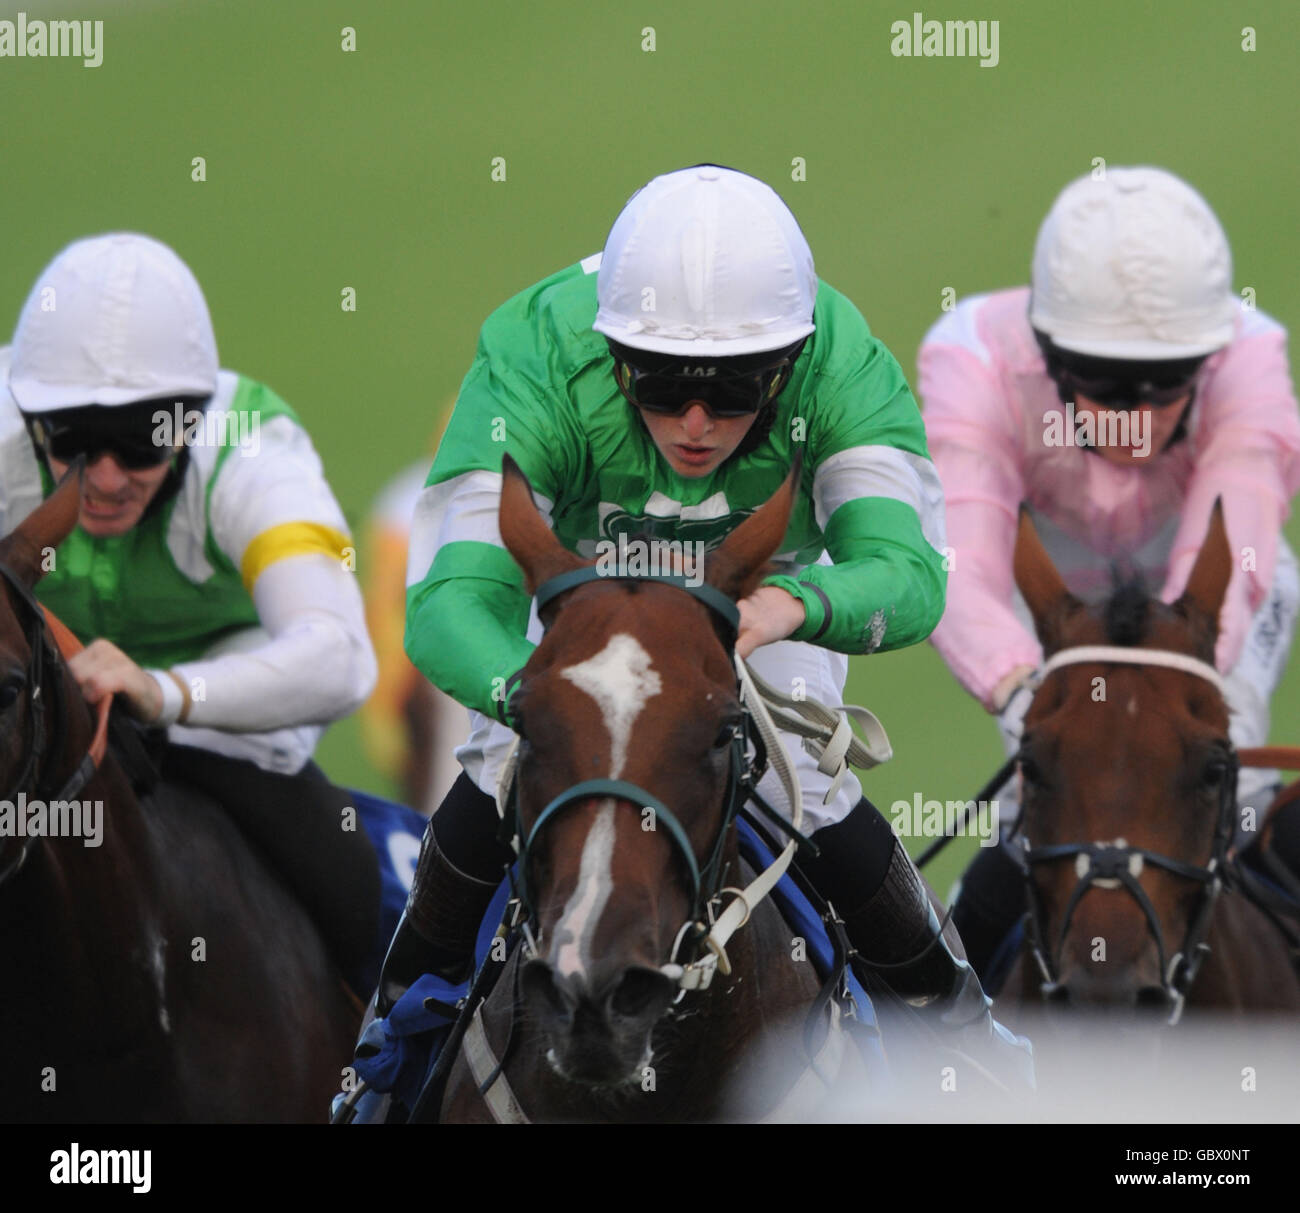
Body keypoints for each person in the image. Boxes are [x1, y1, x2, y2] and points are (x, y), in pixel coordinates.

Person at [365, 164, 1020, 1073]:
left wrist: (794, 604)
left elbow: (908, 572)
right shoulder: (535, 348)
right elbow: (449, 603)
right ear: (611, 352)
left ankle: (971, 1042)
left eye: (740, 388)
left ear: (789, 362)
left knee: (813, 787)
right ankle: (386, 1051)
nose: (700, 421)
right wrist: (538, 692)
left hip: (754, 606)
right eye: (662, 384)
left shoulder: (840, 360)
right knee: (494, 763)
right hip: (580, 621)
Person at [919, 167, 1300, 984]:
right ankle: (958, 1011)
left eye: (1165, 386)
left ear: (1210, 359)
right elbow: (960, 564)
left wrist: (1184, 686)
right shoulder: (970, 356)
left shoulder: (1253, 354)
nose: (1132, 412)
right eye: (1102, 383)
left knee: (1229, 792)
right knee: (1044, 804)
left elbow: (1234, 552)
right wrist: (1027, 691)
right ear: (1049, 355)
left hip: (1205, 602)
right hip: (1048, 612)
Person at [0, 231, 381, 980]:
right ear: (32, 419)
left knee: (343, 871)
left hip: (213, 683)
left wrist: (165, 692)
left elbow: (340, 657)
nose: (106, 478)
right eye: (73, 442)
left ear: (192, 419)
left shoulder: (252, 454)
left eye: (145, 441)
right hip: (37, 684)